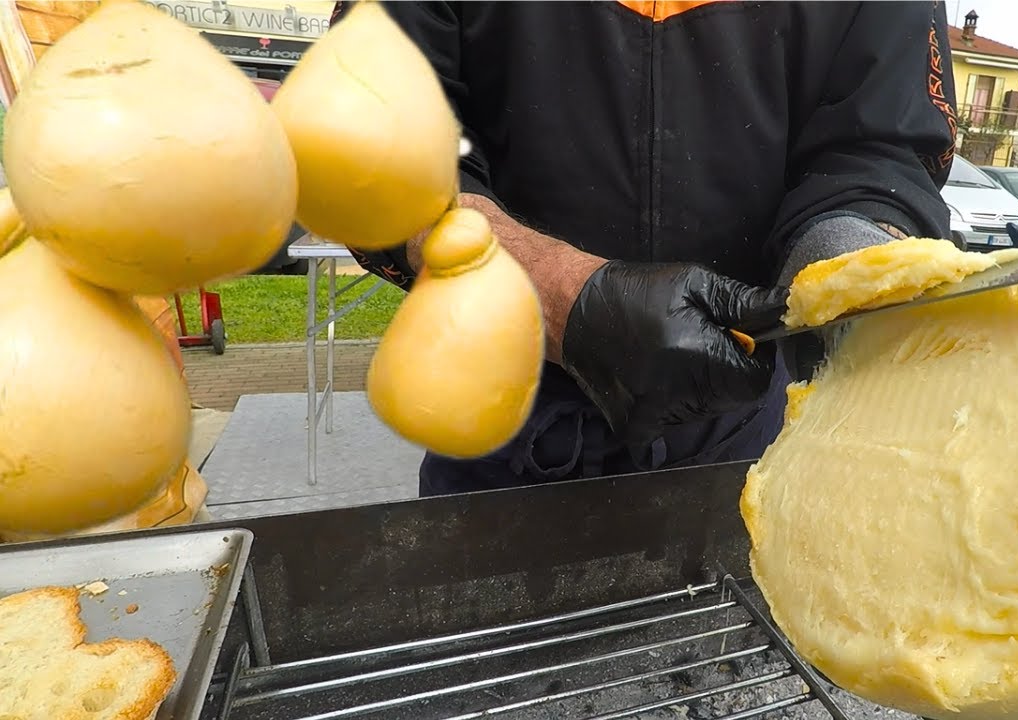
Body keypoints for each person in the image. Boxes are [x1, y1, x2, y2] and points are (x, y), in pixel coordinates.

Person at [329, 0, 963, 496]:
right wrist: (553, 292)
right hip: (498, 421)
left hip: (745, 431)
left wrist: (849, 256)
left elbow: (883, 144)